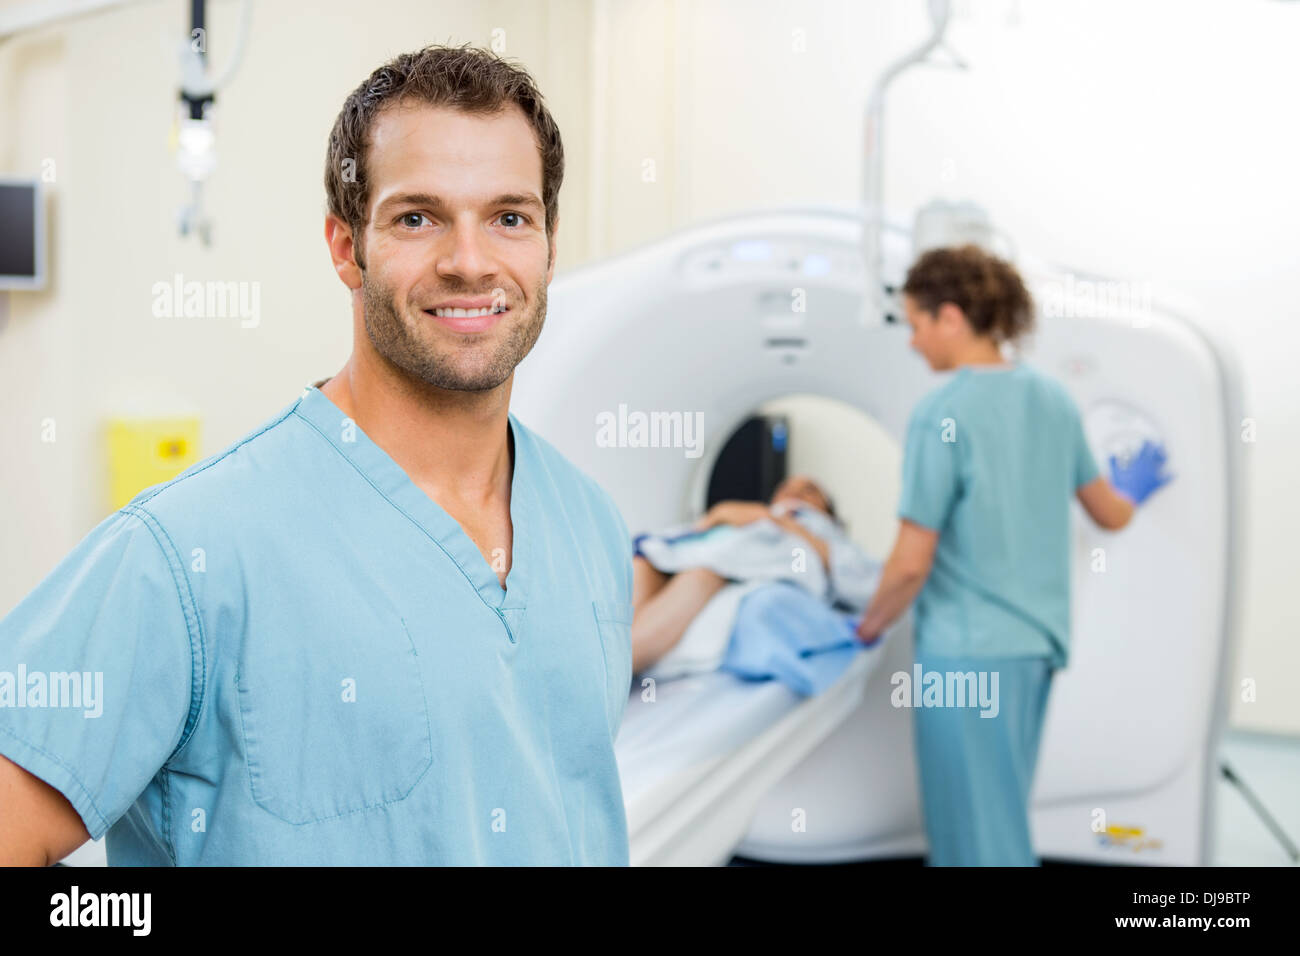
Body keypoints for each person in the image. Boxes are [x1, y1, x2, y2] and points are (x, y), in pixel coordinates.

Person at [0, 45, 634, 866]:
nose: (470, 261)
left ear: (548, 245)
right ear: (346, 248)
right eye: (418, 217)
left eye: (509, 216)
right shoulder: (185, 557)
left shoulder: (587, 520)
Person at [853, 244, 1171, 866]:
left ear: (951, 317)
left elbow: (911, 562)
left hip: (968, 657)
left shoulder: (941, 415)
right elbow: (1111, 512)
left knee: (977, 843)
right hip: (1034, 649)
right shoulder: (1051, 399)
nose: (913, 343)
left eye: (916, 325)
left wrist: (866, 626)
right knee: (995, 817)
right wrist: (1132, 484)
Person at [631, 474, 878, 674]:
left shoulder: (825, 533)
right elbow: (699, 531)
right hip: (698, 551)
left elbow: (864, 583)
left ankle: (619, 667)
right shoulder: (753, 514)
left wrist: (782, 522)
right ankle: (612, 658)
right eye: (786, 487)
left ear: (828, 513)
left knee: (701, 574)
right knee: (643, 563)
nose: (794, 493)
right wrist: (722, 514)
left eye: (809, 490)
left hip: (726, 565)